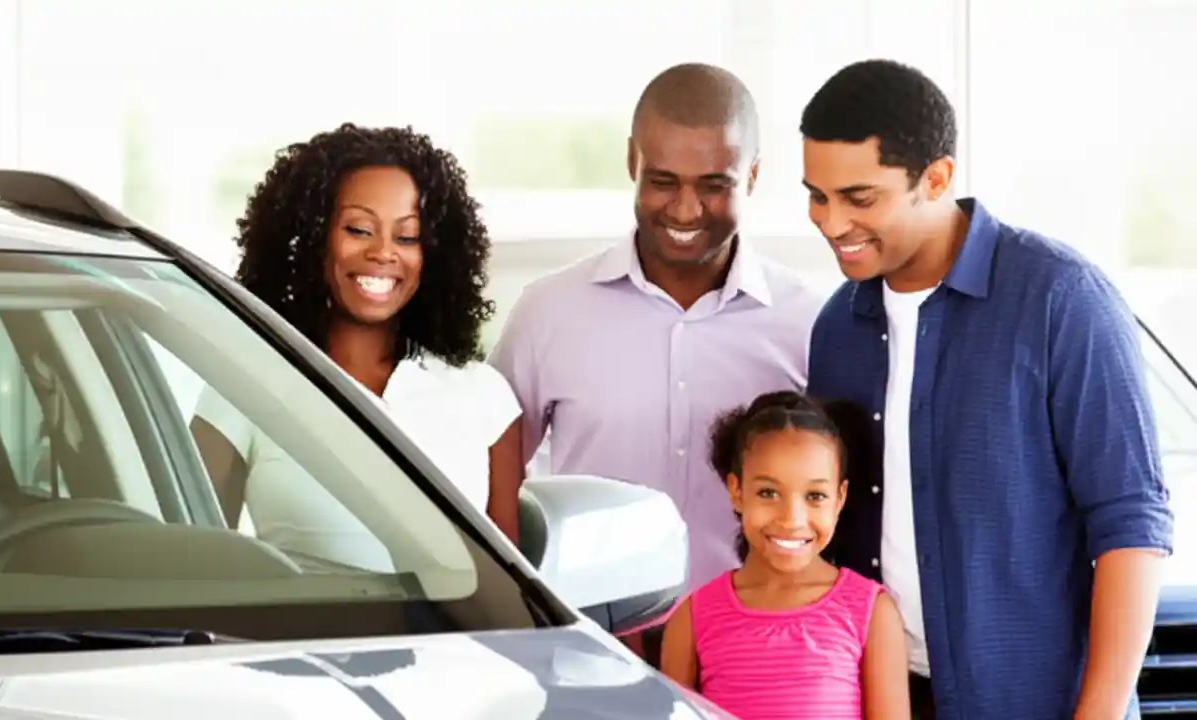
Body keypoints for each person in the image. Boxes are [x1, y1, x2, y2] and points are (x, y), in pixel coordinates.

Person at [801, 59, 1173, 719]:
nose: (831, 223)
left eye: (859, 199)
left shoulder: (1061, 299)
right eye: (817, 195)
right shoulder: (838, 327)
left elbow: (1131, 527)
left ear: (936, 178)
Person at [489, 62, 823, 663]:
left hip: (759, 656)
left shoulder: (807, 322)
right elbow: (489, 486)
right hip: (589, 650)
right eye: (663, 180)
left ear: (753, 174)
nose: (686, 210)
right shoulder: (548, 313)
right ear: (630, 163)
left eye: (715, 184)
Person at [190, 123, 525, 560]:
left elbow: (514, 596)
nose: (384, 253)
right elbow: (192, 563)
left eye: (407, 236)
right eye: (359, 230)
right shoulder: (245, 385)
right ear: (314, 237)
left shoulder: (485, 396)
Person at [659, 391, 909, 718]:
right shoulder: (691, 619)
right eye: (768, 492)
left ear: (840, 498)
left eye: (815, 495)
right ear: (736, 491)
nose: (791, 519)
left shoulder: (870, 613)